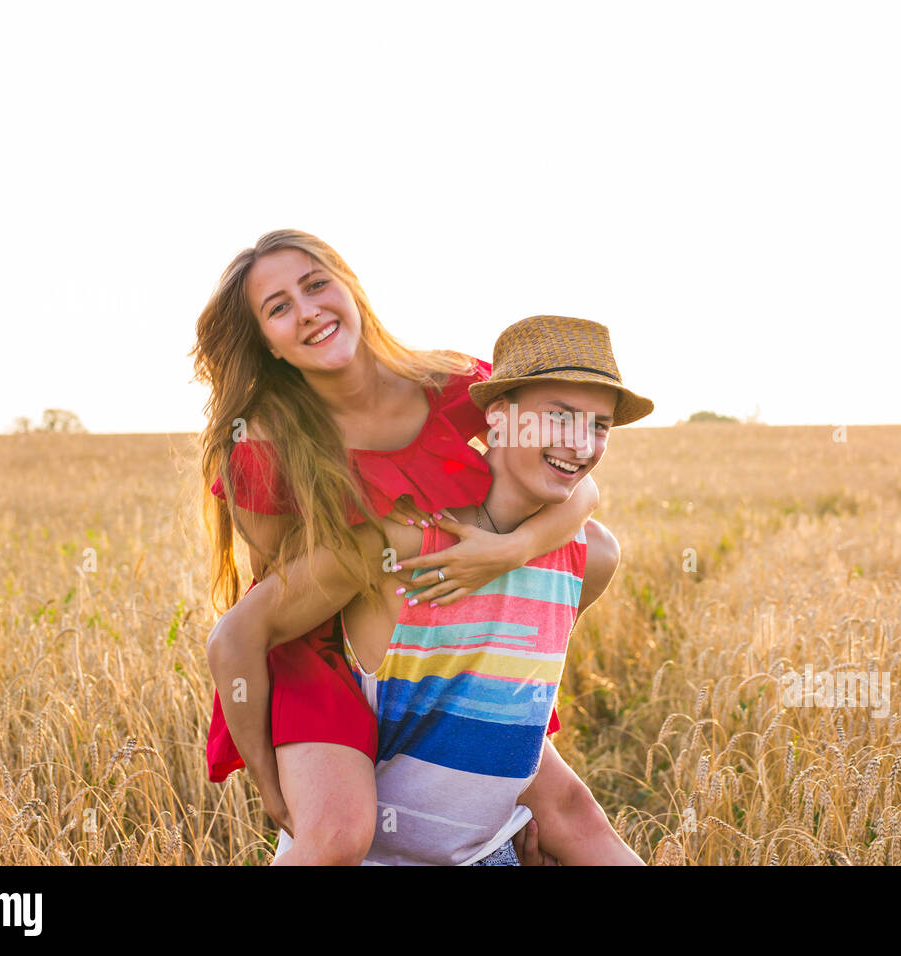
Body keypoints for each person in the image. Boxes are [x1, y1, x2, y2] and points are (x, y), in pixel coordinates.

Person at [193, 231, 611, 864]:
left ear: (350, 288)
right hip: (329, 648)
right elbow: (278, 595)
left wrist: (508, 551)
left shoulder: (451, 383)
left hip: (447, 624)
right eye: (277, 308)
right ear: (267, 344)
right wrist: (273, 788)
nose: (306, 310)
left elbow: (581, 499)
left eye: (315, 284)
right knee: (337, 835)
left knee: (571, 810)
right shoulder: (265, 446)